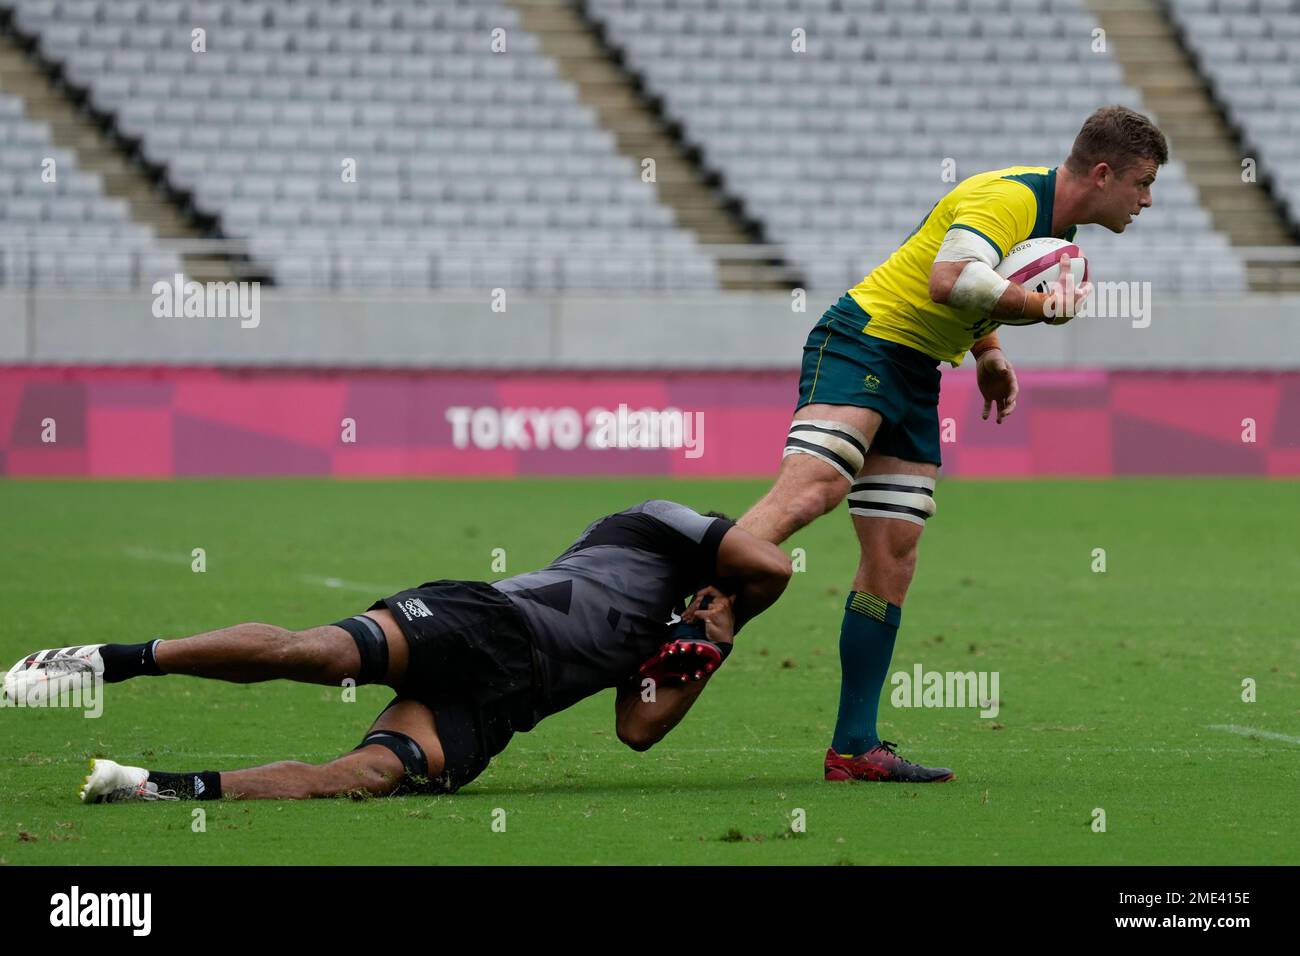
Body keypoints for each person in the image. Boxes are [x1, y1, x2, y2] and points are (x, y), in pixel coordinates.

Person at [738, 105, 1166, 782]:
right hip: (865, 340)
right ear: (1104, 172)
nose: (1147, 200)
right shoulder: (1010, 198)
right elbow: (949, 281)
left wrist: (989, 352)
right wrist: (1037, 309)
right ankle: (684, 619)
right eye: (1142, 183)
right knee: (812, 491)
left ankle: (853, 749)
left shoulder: (1052, 220)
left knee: (894, 555)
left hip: (917, 367)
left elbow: (963, 281)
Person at [2, 500, 791, 802]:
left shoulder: (676, 636)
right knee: (313, 655)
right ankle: (110, 659)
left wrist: (709, 650)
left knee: (368, 776)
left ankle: (150, 787)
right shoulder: (654, 524)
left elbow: (638, 729)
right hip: (484, 619)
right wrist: (738, 612)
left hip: (505, 701)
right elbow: (774, 564)